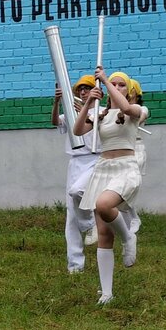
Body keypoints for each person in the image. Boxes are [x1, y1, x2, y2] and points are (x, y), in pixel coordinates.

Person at [74, 67, 142, 305]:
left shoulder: (138, 111)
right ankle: (107, 292)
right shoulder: (101, 114)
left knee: (105, 205)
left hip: (125, 169)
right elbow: (78, 130)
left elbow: (125, 108)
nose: (116, 87)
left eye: (121, 84)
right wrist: (88, 103)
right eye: (114, 84)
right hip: (103, 169)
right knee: (103, 235)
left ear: (130, 90)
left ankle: (128, 238)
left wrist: (105, 80)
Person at [51, 75, 99, 274]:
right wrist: (56, 102)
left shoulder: (102, 112)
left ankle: (89, 224)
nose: (82, 92)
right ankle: (75, 266)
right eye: (80, 89)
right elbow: (55, 122)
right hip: (76, 161)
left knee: (78, 192)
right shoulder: (71, 112)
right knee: (71, 216)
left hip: (96, 159)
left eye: (87, 89)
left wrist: (86, 111)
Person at [125, 77, 149, 235]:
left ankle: (133, 218)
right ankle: (129, 220)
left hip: (136, 150)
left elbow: (142, 114)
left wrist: (136, 120)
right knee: (120, 187)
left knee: (128, 186)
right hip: (122, 150)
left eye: (131, 90)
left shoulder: (141, 108)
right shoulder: (120, 108)